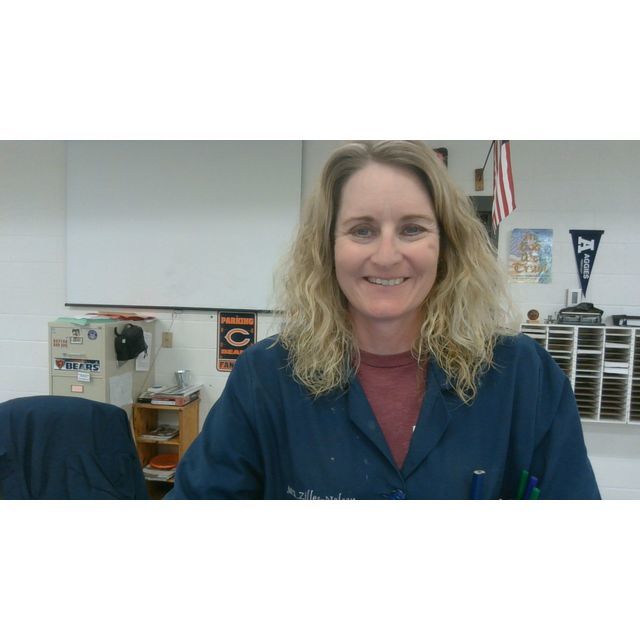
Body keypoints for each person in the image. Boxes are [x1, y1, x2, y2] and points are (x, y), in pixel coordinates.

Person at [167, 140, 600, 500]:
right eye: (362, 230)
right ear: (327, 247)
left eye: (412, 229)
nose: (388, 255)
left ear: (446, 244)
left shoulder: (523, 376)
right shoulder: (266, 377)